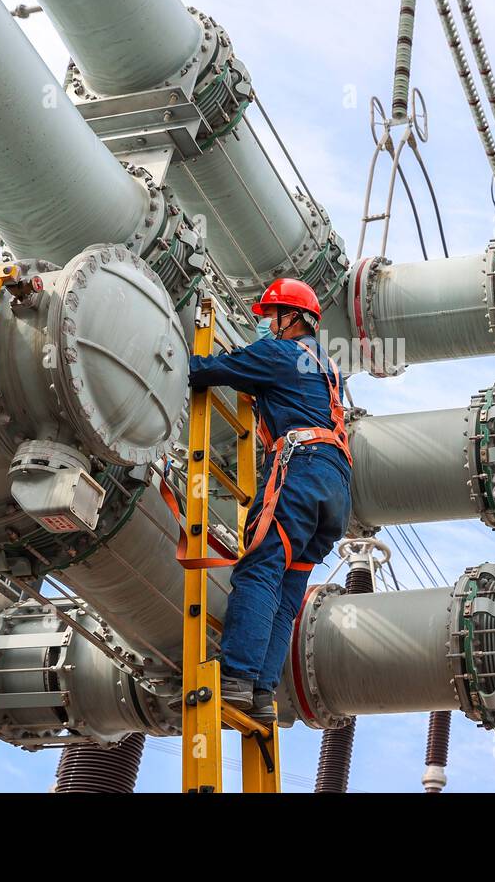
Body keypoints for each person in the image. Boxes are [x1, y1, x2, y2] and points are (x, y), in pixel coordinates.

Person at [187, 278, 353, 722]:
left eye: (269, 317)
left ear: (292, 318)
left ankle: (237, 678)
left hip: (300, 469)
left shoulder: (280, 354)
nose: (265, 325)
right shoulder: (325, 366)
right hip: (335, 486)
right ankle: (262, 693)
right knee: (289, 589)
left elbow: (205, 371)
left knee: (260, 568)